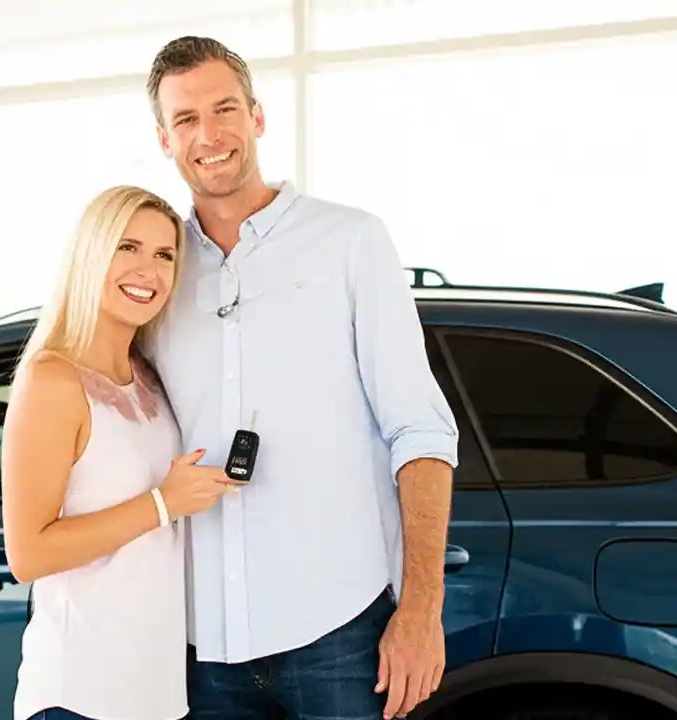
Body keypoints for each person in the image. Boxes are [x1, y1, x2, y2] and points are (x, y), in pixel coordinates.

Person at [140, 37, 461, 720]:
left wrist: (419, 612)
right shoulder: (156, 269)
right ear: (165, 140)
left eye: (225, 108)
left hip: (339, 631)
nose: (209, 134)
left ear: (256, 117)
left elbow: (420, 428)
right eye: (187, 119)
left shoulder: (351, 242)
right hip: (198, 646)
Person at [1, 185, 244, 720]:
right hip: (79, 697)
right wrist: (163, 503)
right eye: (127, 247)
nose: (148, 271)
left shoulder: (149, 377)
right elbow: (28, 554)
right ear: (91, 254)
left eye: (164, 255)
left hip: (155, 698)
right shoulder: (52, 379)